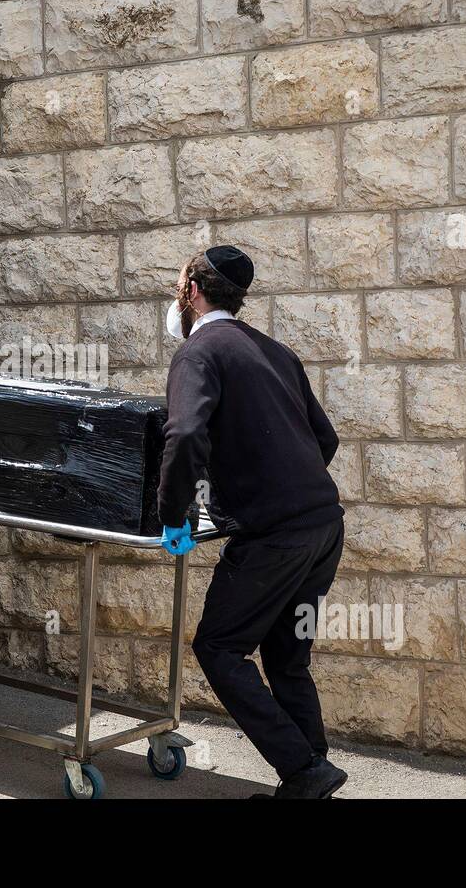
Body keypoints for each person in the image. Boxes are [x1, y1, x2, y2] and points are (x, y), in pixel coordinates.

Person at [156, 247, 348, 799]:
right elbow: (326, 439)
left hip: (276, 537)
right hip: (324, 525)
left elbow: (186, 434)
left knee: (218, 647)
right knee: (288, 655)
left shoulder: (198, 353)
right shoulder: (275, 351)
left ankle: (305, 770)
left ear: (192, 289)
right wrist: (289, 487)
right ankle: (309, 773)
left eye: (178, 283)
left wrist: (175, 517)